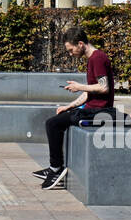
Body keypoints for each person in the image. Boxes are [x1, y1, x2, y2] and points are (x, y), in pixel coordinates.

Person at [35, 28, 117, 189]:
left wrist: (79, 86)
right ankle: (55, 167)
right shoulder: (93, 59)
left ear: (80, 44)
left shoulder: (97, 58)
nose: (71, 54)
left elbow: (104, 87)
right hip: (92, 109)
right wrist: (69, 106)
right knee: (56, 120)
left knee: (53, 124)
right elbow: (90, 92)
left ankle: (55, 169)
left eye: (71, 50)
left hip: (100, 112)